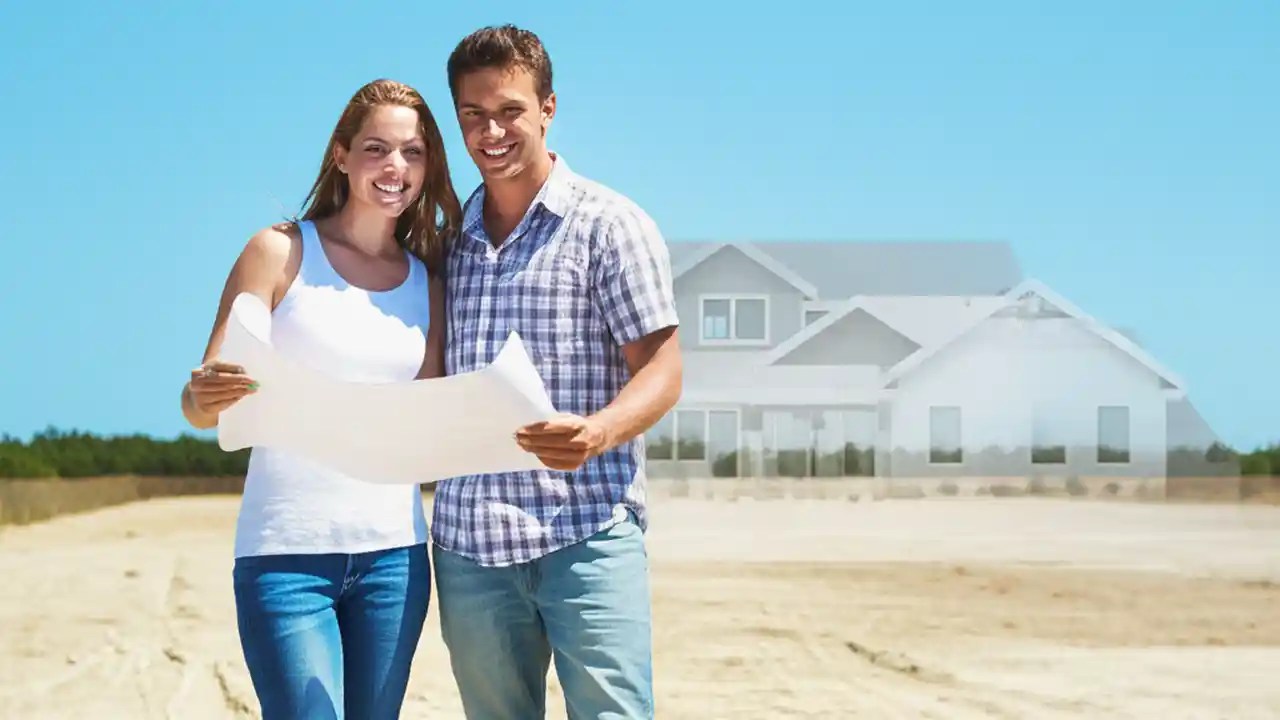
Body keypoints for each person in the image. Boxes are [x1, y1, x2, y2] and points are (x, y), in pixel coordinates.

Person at [179, 78, 462, 719]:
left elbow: (431, 423)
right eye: (376, 149)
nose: (395, 168)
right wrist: (202, 394)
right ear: (340, 155)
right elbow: (199, 407)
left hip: (395, 557)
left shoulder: (428, 279)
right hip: (285, 556)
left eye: (413, 153)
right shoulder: (279, 251)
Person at [433, 25, 683, 719]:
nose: (492, 131)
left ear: (547, 107)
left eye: (510, 110)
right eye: (473, 116)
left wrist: (598, 432)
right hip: (469, 547)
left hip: (588, 534)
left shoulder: (611, 224)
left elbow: (663, 369)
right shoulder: (445, 240)